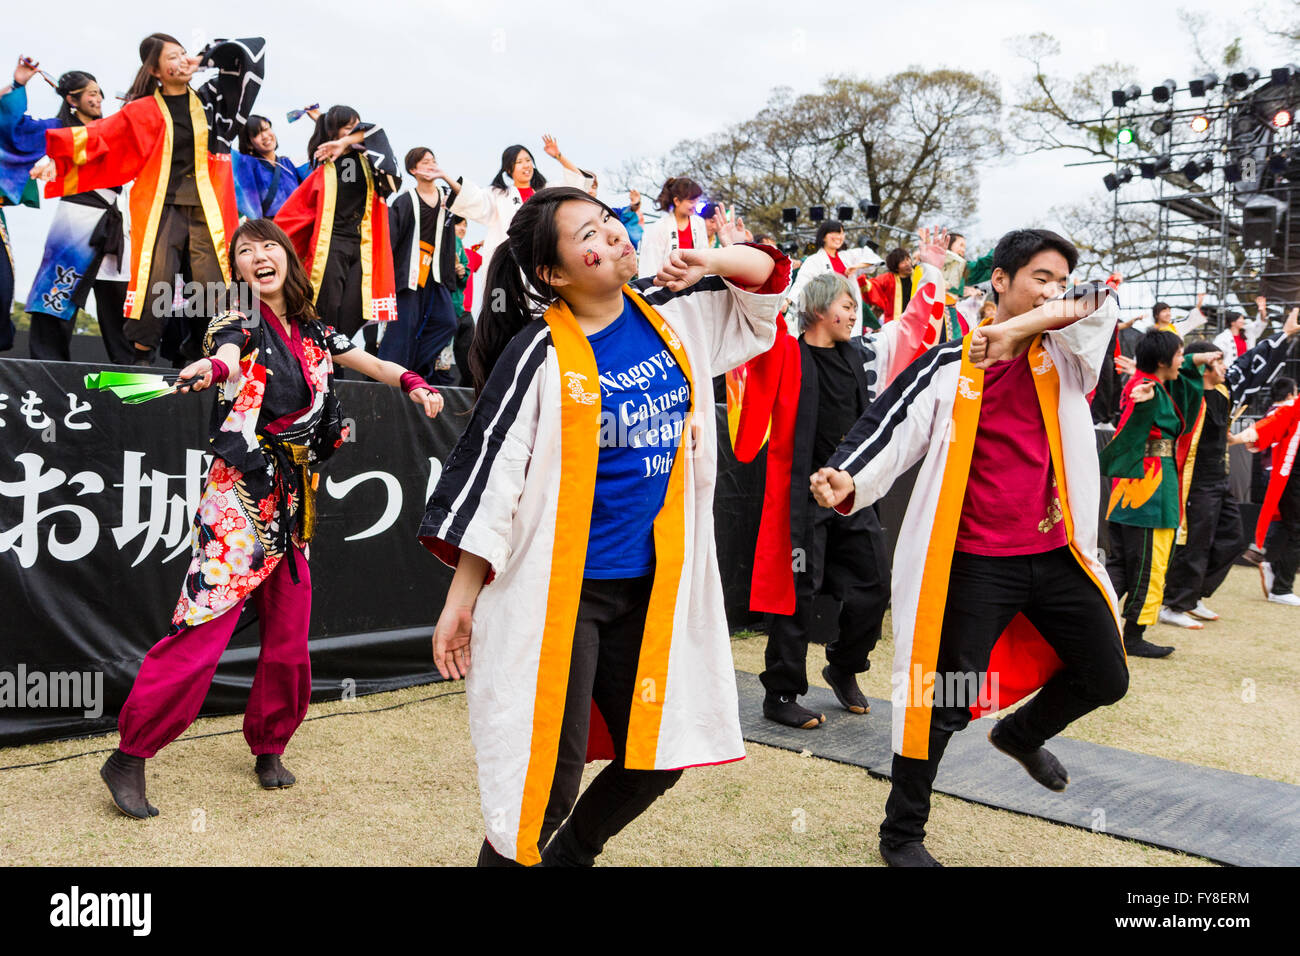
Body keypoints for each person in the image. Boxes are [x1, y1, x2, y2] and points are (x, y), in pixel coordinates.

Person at [418, 185, 789, 866]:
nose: (613, 236)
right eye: (587, 232)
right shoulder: (538, 355)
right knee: (546, 783)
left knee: (659, 751)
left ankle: (573, 857)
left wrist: (706, 257)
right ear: (554, 274)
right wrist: (460, 601)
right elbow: (490, 483)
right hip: (563, 595)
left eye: (609, 221)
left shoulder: (675, 313)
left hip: (651, 590)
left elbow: (768, 275)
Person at [98, 217, 443, 819]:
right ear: (235, 269)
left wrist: (412, 380)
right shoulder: (235, 317)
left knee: (289, 637)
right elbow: (228, 356)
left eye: (268, 247)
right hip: (240, 498)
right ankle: (129, 755)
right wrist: (215, 368)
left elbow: (371, 362)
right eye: (244, 251)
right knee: (202, 631)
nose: (258, 256)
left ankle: (270, 744)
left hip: (294, 500)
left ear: (287, 256)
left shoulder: (312, 328)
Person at [810, 229, 1129, 868]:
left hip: (1056, 552)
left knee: (1106, 676)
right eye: (1040, 277)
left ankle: (1021, 732)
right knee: (945, 701)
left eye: (1059, 281)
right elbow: (887, 426)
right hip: (978, 562)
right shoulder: (949, 362)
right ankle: (902, 834)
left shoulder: (1065, 354)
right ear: (1000, 281)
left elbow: (1103, 301)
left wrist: (1024, 328)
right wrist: (846, 475)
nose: (1054, 290)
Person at [744, 270, 918, 728]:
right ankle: (780, 694)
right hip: (802, 499)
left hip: (849, 495)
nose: (852, 314)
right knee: (796, 593)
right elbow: (755, 326)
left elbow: (912, 334)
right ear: (819, 307)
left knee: (874, 585)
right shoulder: (786, 354)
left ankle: (843, 666)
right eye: (846, 305)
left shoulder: (858, 357)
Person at [42, 34, 266, 366]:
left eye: (183, 54)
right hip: (163, 208)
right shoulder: (143, 110)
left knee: (212, 284)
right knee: (155, 280)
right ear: (156, 70)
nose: (181, 61)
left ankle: (201, 345)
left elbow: (250, 54)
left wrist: (205, 59)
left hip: (208, 207)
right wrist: (54, 157)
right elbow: (101, 136)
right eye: (171, 58)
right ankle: (142, 354)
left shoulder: (212, 99)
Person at [1161, 313, 1300, 625]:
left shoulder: (1225, 390)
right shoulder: (1187, 391)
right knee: (1196, 542)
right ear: (1203, 368)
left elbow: (1251, 364)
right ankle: (1174, 604)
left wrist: (1284, 335)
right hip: (1194, 479)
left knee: (1234, 539)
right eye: (1219, 362)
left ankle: (1193, 595)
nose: (1226, 366)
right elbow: (1178, 366)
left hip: (1218, 479)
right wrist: (1196, 358)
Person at [1100, 330, 1217, 656]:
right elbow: (1138, 414)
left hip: (1132, 486)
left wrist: (1196, 359)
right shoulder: (1146, 389)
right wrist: (1141, 404)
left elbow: (1184, 380)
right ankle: (1133, 635)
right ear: (1163, 361)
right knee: (1149, 565)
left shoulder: (1146, 381)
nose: (1183, 361)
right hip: (1151, 488)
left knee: (1120, 565)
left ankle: (1089, 622)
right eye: (1180, 355)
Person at [16, 68, 133, 364]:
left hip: (116, 222)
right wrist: (18, 84)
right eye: (91, 93)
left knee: (120, 303)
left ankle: (134, 376)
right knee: (56, 298)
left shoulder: (110, 128)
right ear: (72, 99)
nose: (98, 98)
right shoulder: (57, 129)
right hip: (75, 219)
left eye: (98, 92)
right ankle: (48, 371)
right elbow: (13, 128)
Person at [275, 104, 401, 351]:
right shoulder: (324, 169)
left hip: (362, 247)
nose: (354, 131)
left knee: (357, 308)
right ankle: (319, 359)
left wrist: (346, 142)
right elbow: (294, 215)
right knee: (325, 308)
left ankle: (334, 354)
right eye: (347, 127)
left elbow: (378, 134)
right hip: (331, 244)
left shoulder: (371, 166)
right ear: (333, 133)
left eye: (356, 126)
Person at [446, 139, 587, 318]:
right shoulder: (498, 194)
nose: (525, 165)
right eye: (519, 162)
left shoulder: (545, 192)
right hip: (504, 268)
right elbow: (472, 198)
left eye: (528, 160)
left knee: (542, 315)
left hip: (538, 264)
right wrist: (445, 177)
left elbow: (577, 182)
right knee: (500, 312)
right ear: (508, 169)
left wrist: (558, 156)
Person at [378, 146, 459, 382]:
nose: (430, 165)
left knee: (447, 322)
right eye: (425, 162)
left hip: (436, 274)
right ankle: (386, 379)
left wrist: (443, 175)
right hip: (410, 274)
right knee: (402, 329)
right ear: (413, 169)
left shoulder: (446, 197)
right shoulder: (404, 201)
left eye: (433, 161)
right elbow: (391, 238)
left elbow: (464, 197)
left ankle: (413, 369)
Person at [1236, 376, 1300, 605]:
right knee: (1294, 529)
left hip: (1287, 475)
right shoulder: (1290, 408)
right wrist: (1237, 438)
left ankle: (1267, 560)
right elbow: (1268, 426)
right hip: (1288, 476)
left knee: (1285, 524)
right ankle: (1281, 587)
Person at [783, 220, 881, 336]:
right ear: (823, 236)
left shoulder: (847, 257)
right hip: (827, 316)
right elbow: (801, 285)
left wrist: (856, 267)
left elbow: (872, 257)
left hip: (849, 315)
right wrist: (788, 301)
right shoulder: (814, 260)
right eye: (834, 233)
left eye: (841, 233)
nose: (838, 237)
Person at [231, 114, 310, 220]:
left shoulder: (291, 164)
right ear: (249, 143)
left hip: (299, 229)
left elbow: (321, 163)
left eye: (266, 129)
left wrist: (319, 120)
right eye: (256, 134)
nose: (265, 136)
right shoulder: (248, 166)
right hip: (269, 232)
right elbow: (226, 152)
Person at [636, 177, 706, 279]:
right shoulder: (660, 226)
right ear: (677, 201)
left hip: (693, 284)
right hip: (667, 286)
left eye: (697, 200)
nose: (695, 205)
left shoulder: (699, 223)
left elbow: (704, 254)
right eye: (691, 201)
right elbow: (651, 263)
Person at [860, 246, 917, 327]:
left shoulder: (919, 275)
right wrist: (860, 278)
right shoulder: (887, 279)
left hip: (916, 323)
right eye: (903, 262)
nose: (908, 264)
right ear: (896, 268)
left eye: (908, 259)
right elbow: (872, 285)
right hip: (894, 325)